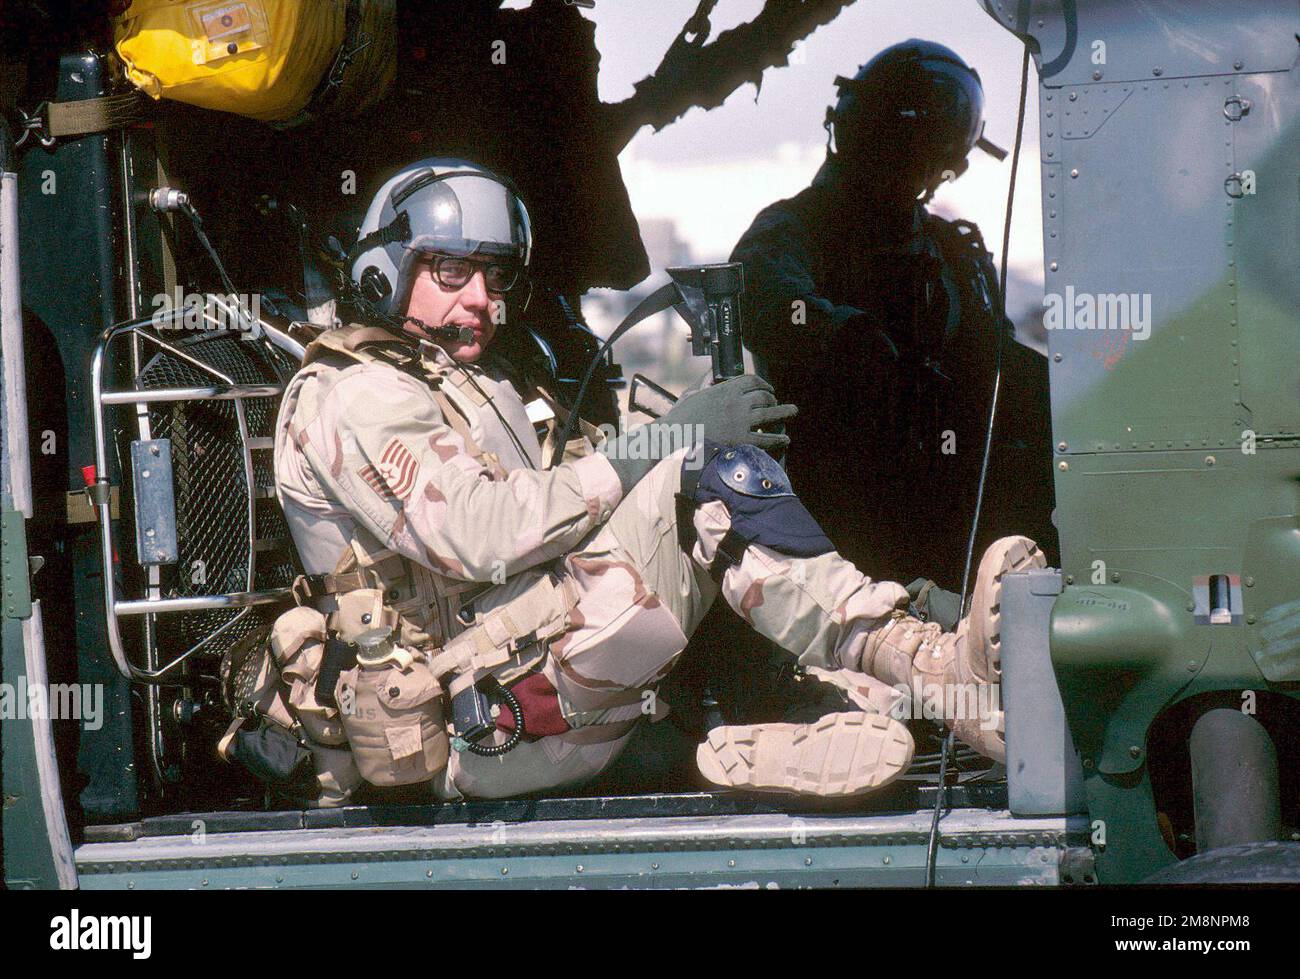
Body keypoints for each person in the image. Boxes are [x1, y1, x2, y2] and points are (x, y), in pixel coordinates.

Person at [271, 157, 1036, 803]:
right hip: (483, 717)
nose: (481, 297)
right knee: (698, 481)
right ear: (382, 273)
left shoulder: (458, 378)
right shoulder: (354, 392)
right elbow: (482, 534)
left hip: (534, 674)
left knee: (717, 490)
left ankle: (836, 694)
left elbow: (563, 498)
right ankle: (932, 673)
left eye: (494, 275)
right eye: (452, 269)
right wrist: (672, 443)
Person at [730, 39, 1057, 611]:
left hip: (957, 513)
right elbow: (762, 303)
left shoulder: (947, 251)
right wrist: (854, 339)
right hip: (846, 524)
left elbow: (1002, 369)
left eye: (930, 163)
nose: (919, 177)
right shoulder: (791, 232)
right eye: (913, 157)